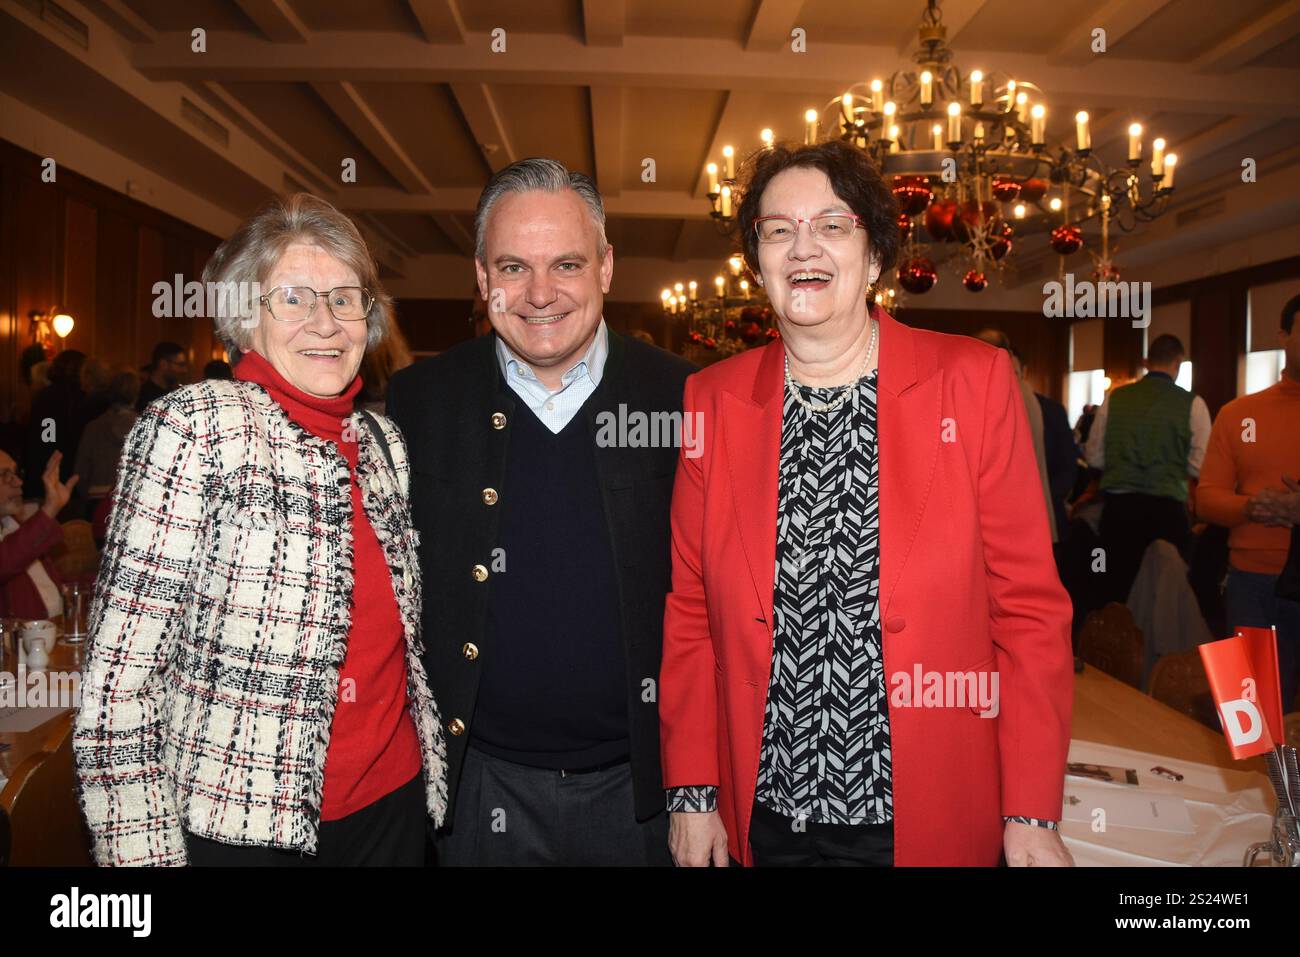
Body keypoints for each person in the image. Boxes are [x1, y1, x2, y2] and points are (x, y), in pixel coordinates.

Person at [659, 140, 1074, 867]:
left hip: (927, 810)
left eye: (832, 224)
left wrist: (1031, 809)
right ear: (757, 262)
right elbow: (691, 612)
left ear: (876, 254)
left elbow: (1029, 612)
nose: (803, 247)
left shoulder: (972, 382)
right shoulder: (711, 399)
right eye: (778, 230)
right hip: (766, 811)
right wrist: (693, 791)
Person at [73, 193, 448, 866]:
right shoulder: (194, 427)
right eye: (294, 298)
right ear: (246, 317)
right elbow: (120, 683)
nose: (325, 322)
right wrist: (140, 857)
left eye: (344, 298)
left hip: (392, 807)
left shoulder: (383, 443)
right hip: (242, 825)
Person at [386, 157, 694, 866]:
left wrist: (699, 786)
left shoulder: (683, 398)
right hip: (475, 788)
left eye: (567, 264)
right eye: (513, 267)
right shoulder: (421, 401)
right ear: (482, 276)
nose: (540, 293)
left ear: (606, 267)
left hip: (645, 791)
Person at [1197, 293, 1300, 709]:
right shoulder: (1239, 413)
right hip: (1250, 583)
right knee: (1250, 717)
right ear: (1283, 336)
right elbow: (1206, 500)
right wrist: (1251, 507)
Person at [1084, 334, 1211, 602]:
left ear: (1146, 362)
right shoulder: (1193, 404)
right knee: (1164, 594)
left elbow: (1094, 457)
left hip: (1119, 512)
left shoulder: (1114, 398)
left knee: (1116, 590)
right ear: (1178, 363)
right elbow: (1199, 465)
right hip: (1168, 512)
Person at [0, 449, 76, 619]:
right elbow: (5, 561)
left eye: (15, 473)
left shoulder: (14, 527)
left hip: (56, 628)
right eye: (5, 475)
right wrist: (50, 508)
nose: (18, 482)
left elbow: (46, 586)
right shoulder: (23, 540)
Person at [71, 370, 139, 520]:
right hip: (133, 502)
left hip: (96, 501)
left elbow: (80, 471)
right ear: (136, 396)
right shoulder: (147, 429)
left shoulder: (93, 428)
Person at [21, 349, 86, 503]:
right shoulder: (79, 396)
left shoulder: (48, 396)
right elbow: (47, 435)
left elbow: (46, 437)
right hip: (62, 467)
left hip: (52, 464)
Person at [135, 341, 190, 411]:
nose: (185, 370)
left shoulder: (174, 393)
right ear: (163, 364)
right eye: (180, 365)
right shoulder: (142, 396)